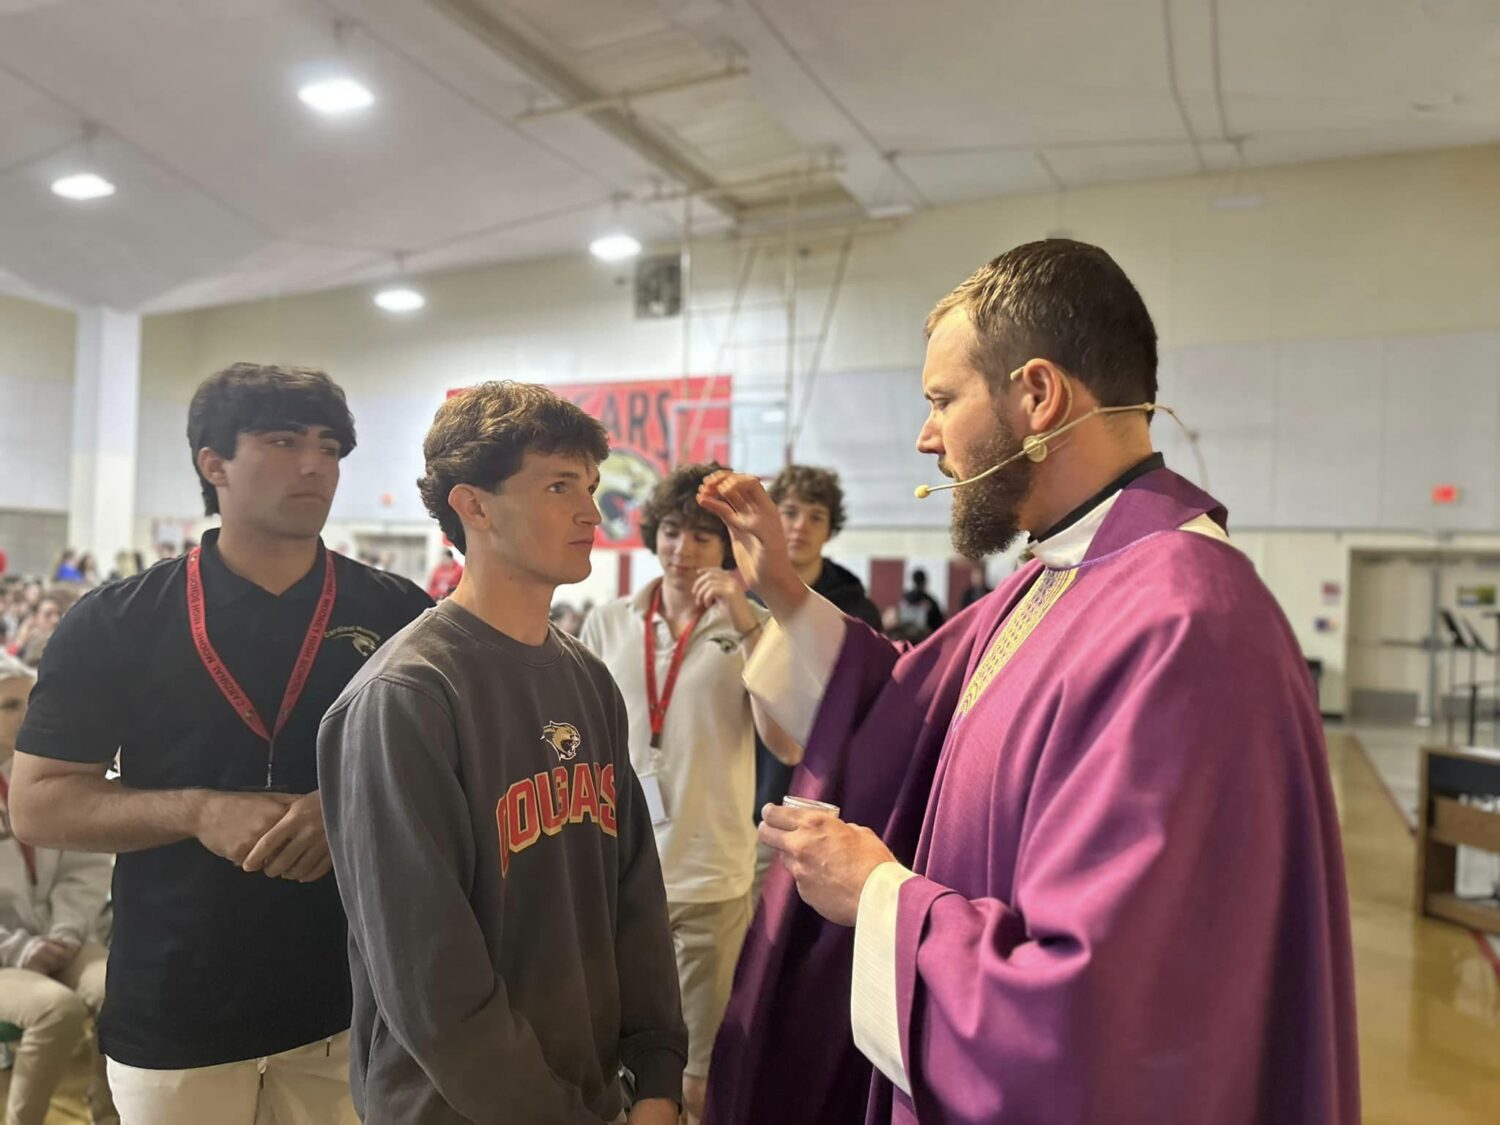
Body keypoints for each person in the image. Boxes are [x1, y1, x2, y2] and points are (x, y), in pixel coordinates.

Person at [699, 239, 1358, 1124]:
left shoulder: (1181, 619)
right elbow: (902, 707)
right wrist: (783, 590)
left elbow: (1104, 1008)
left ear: (1038, 396)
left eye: (942, 400)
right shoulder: (1056, 576)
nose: (927, 436)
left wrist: (878, 895)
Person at [7, 362, 432, 1124]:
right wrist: (198, 810)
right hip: (177, 1006)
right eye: (282, 440)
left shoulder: (399, 611)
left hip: (350, 1001)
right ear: (213, 463)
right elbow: (39, 804)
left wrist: (343, 806)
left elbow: (448, 776)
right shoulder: (118, 620)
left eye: (331, 446)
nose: (315, 464)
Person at [319, 381, 685, 1125]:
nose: (592, 510)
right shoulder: (405, 697)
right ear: (474, 506)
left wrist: (655, 1073)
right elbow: (433, 984)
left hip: (588, 1092)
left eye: (591, 484)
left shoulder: (587, 679)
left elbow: (635, 898)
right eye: (559, 486)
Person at [580, 463, 801, 1124]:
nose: (684, 550)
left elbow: (787, 743)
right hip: (616, 877)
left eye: (704, 536)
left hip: (710, 875)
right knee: (613, 1058)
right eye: (673, 531)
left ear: (728, 546)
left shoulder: (754, 626)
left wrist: (750, 624)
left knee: (697, 1071)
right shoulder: (608, 620)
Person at [0, 653, 116, 1125]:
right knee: (56, 1011)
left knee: (120, 988)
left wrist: (67, 932)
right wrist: (19, 949)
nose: (26, 715)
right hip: (7, 953)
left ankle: (109, 1113)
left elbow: (86, 865)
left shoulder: (46, 779)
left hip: (60, 937)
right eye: (9, 705)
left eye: (31, 700)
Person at [753, 465, 881, 888]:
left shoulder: (854, 613)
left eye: (815, 516)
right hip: (745, 789)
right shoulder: (744, 600)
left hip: (821, 794)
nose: (800, 526)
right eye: (789, 513)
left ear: (830, 529)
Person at [897, 568, 944, 636]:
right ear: (925, 581)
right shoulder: (930, 601)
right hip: (923, 639)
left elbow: (898, 618)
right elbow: (938, 623)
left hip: (906, 637)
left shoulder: (905, 599)